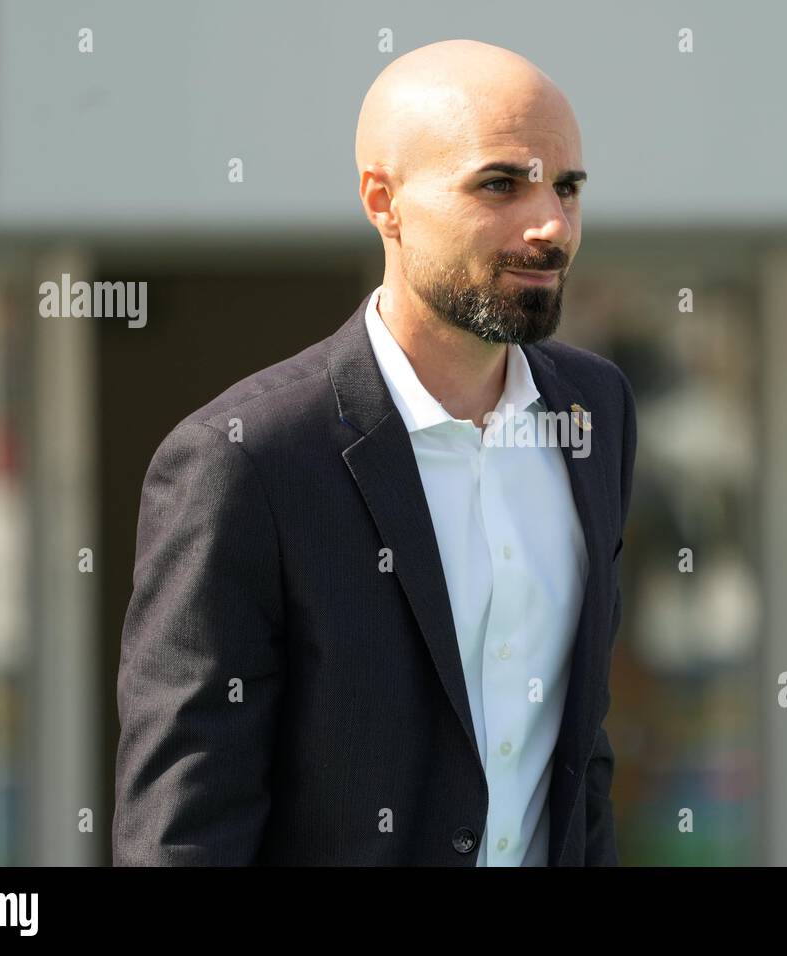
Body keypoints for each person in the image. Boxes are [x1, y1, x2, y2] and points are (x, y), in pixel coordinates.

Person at [113, 38, 636, 866]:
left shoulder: (595, 411)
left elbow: (579, 751)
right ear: (383, 201)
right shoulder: (244, 461)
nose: (550, 226)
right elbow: (186, 824)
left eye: (566, 188)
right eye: (501, 183)